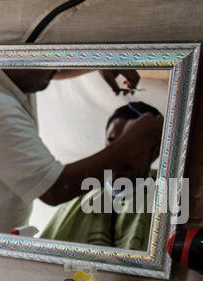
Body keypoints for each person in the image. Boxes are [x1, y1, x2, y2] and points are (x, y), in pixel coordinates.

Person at [0, 67, 162, 233]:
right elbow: (55, 189)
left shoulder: (0, 70)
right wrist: (131, 143)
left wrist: (98, 60)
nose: (57, 67)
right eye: (112, 141)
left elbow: (49, 71)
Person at [39, 101, 164, 249]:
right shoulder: (77, 194)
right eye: (113, 142)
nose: (120, 156)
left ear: (155, 153)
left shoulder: (165, 200)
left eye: (132, 147)